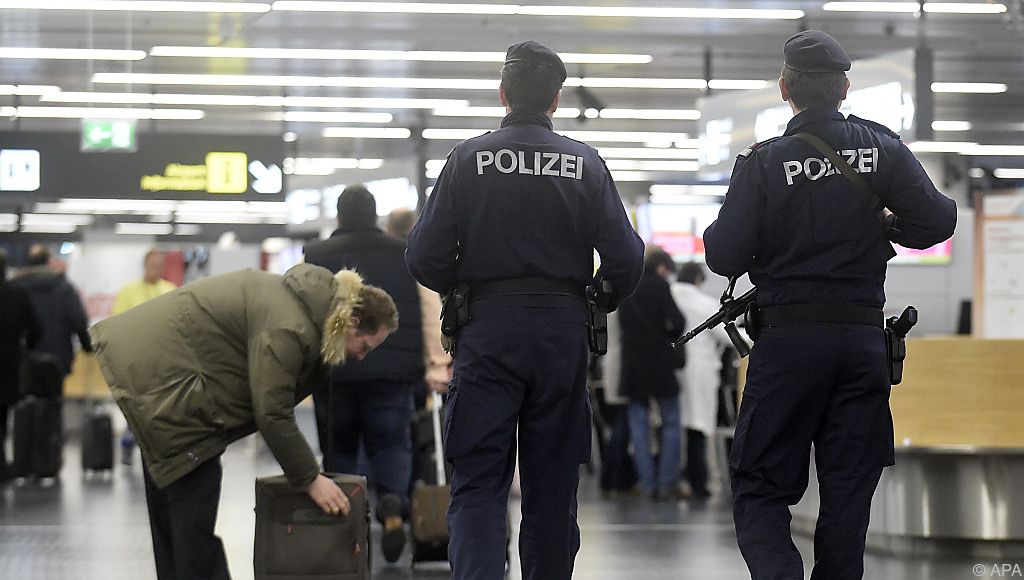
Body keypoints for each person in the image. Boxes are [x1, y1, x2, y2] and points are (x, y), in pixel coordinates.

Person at [702, 30, 957, 580]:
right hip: (861, 344)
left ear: (784, 88)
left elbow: (723, 255)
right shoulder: (883, 149)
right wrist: (887, 222)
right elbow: (938, 221)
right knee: (848, 488)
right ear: (844, 86)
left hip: (786, 347)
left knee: (760, 485)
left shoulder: (765, 163)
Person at [405, 40, 645, 580]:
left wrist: (461, 291)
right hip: (562, 335)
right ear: (557, 100)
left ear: (503, 94)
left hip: (486, 332)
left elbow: (424, 256)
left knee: (479, 485)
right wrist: (597, 297)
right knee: (552, 488)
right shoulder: (585, 163)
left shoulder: (467, 159)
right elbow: (628, 257)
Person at [90, 264, 398, 580]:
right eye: (364, 347)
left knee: (173, 523)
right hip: (171, 389)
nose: (361, 357)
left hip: (157, 376)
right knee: (191, 522)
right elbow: (272, 412)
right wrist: (310, 478)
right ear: (352, 323)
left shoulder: (300, 306)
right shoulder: (291, 326)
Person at [303, 185, 449, 563]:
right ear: (375, 216)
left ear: (338, 216)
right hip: (394, 368)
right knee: (391, 444)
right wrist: (436, 362)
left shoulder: (315, 255)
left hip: (335, 372)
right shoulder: (403, 252)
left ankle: (347, 526)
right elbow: (428, 308)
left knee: (341, 448)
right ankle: (393, 505)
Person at [617, 246, 688, 502]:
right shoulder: (659, 286)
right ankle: (667, 482)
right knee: (670, 421)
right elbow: (678, 321)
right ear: (662, 267)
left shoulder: (627, 288)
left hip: (633, 367)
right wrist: (666, 337)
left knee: (639, 425)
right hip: (659, 364)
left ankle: (647, 483)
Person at [670, 262, 732, 499]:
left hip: (675, 367)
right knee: (698, 425)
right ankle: (699, 482)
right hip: (701, 369)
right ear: (698, 279)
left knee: (675, 425)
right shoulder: (704, 303)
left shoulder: (669, 296)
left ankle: (674, 479)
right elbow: (727, 335)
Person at [112, 249, 178, 465]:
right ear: (144, 265)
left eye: (160, 265)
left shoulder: (170, 290)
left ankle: (158, 450)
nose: (155, 269)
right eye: (152, 264)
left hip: (162, 360)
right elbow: (117, 321)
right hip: (137, 360)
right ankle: (128, 445)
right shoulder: (129, 291)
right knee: (136, 408)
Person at [15, 245, 93, 379]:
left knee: (23, 394)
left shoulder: (15, 288)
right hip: (58, 356)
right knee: (55, 395)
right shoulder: (64, 287)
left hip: (23, 356)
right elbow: (78, 319)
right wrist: (87, 345)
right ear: (48, 261)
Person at [0, 248, 45, 482]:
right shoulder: (19, 294)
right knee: (4, 416)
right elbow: (36, 328)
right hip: (8, 365)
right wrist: (24, 348)